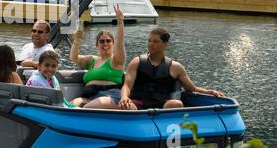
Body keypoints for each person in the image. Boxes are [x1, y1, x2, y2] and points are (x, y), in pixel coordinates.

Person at [88, 26, 225, 111]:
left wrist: (210, 91)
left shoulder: (176, 67)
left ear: (165, 44)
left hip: (162, 106)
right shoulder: (137, 62)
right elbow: (127, 85)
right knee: (127, 106)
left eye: (155, 42)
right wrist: (124, 97)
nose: (151, 44)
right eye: (149, 41)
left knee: (176, 103)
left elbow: (191, 88)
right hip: (138, 104)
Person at [69, 5, 126, 108]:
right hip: (89, 96)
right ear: (97, 45)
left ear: (113, 44)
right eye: (102, 41)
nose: (105, 43)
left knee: (85, 109)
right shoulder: (92, 60)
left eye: (108, 41)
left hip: (110, 95)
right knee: (71, 106)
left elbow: (120, 43)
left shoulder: (116, 60)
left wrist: (120, 22)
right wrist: (76, 41)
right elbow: (74, 58)